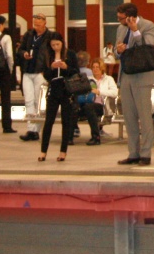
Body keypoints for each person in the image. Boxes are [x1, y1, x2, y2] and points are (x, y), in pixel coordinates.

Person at [115, 2, 154, 167]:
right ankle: (133, 153)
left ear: (131, 17)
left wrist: (135, 31)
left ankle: (145, 154)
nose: (119, 20)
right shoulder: (120, 29)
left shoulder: (148, 25)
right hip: (126, 74)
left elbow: (148, 46)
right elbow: (116, 52)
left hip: (143, 76)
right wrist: (118, 50)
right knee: (129, 116)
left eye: (121, 18)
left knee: (144, 117)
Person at [37, 34, 79, 162]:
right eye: (53, 45)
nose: (55, 47)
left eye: (57, 45)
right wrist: (52, 68)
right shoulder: (48, 56)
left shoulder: (70, 54)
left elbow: (75, 71)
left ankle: (63, 151)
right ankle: (43, 151)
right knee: (49, 121)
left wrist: (66, 67)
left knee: (66, 122)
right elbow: (46, 74)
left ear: (62, 43)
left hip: (66, 89)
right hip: (54, 89)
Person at [17, 14, 53, 142]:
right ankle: (31, 129)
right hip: (27, 71)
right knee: (29, 100)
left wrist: (47, 71)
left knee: (39, 102)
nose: (36, 27)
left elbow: (52, 53)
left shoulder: (50, 36)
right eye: (34, 24)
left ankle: (37, 129)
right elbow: (20, 49)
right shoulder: (28, 35)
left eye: (38, 25)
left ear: (44, 23)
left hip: (40, 72)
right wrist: (24, 53)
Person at [81, 58, 117, 146]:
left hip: (102, 105)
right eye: (93, 67)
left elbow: (115, 93)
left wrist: (99, 92)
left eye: (97, 67)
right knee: (77, 107)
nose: (95, 69)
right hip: (87, 103)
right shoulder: (88, 79)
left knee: (89, 108)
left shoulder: (108, 79)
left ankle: (95, 137)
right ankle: (69, 137)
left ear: (102, 69)